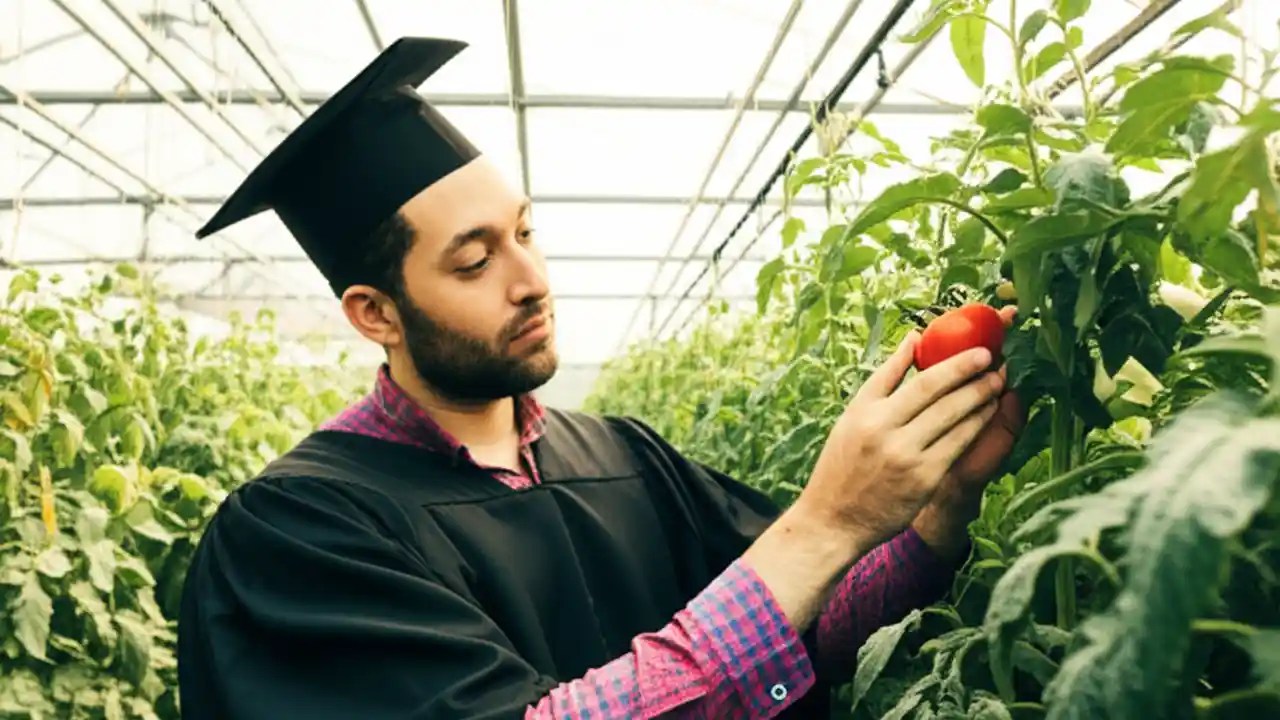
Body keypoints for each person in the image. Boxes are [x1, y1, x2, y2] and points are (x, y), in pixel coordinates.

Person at [176, 37, 1023, 720]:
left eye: (524, 233)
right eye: (474, 261)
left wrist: (937, 512)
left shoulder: (622, 456)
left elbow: (806, 635)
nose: (529, 278)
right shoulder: (296, 534)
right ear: (375, 314)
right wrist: (826, 524)